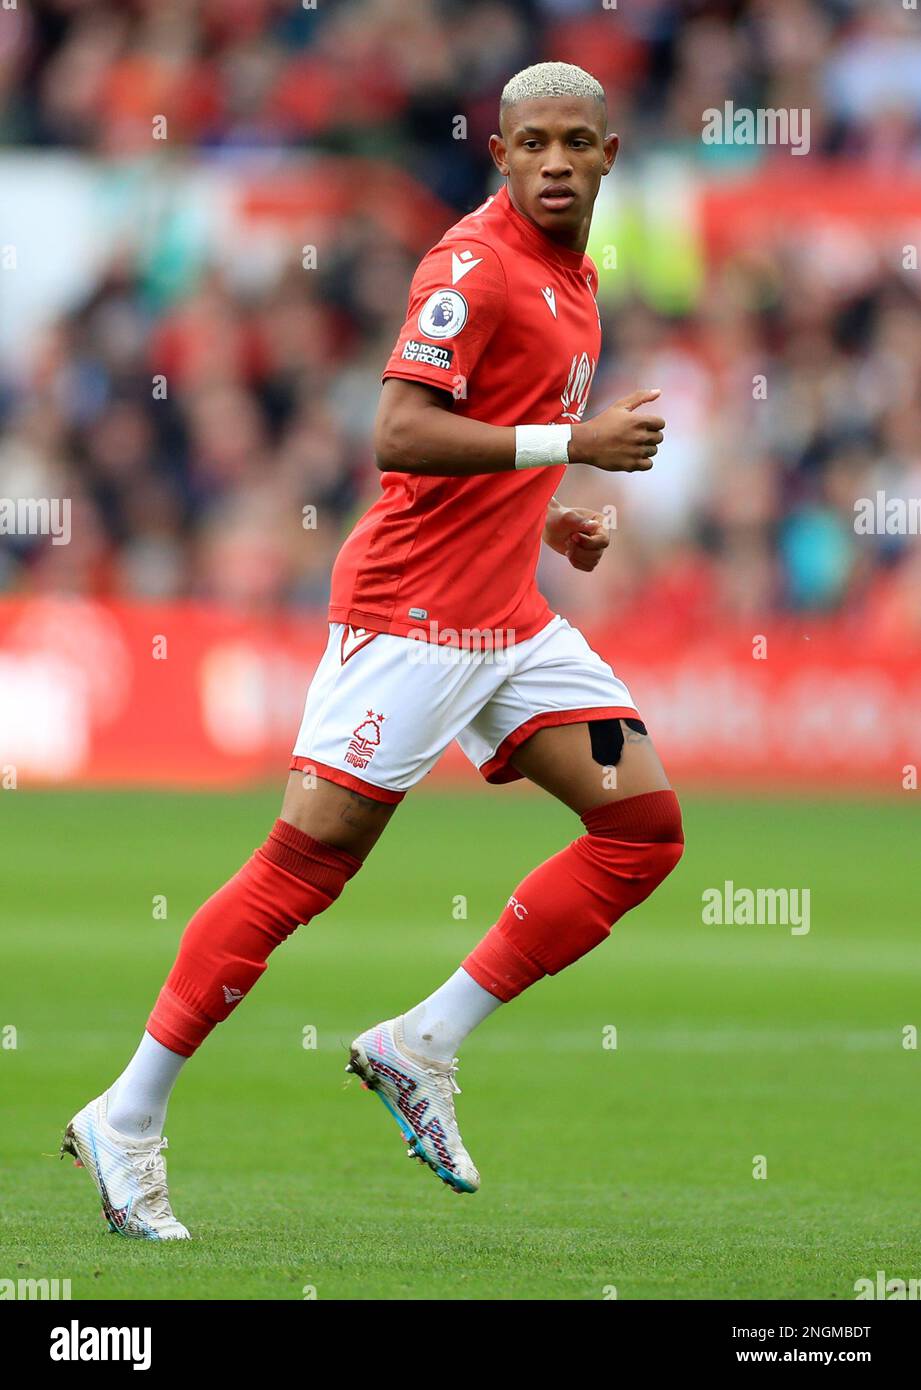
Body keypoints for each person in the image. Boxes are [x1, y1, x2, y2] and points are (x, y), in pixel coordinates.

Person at [62, 61, 683, 1238]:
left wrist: (552, 509)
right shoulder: (472, 265)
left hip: (506, 617)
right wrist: (577, 440)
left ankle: (422, 1042)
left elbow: (475, 444)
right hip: (411, 617)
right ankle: (127, 1116)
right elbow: (400, 429)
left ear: (609, 154)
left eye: (575, 143)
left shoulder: (577, 277)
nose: (554, 161)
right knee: (306, 867)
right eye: (531, 143)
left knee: (642, 830)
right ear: (499, 156)